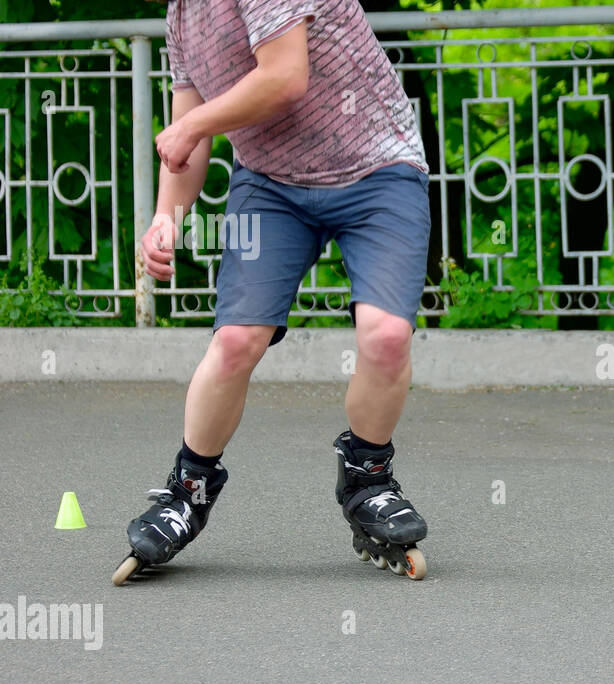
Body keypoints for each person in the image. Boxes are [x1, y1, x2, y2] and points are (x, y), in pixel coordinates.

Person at [114, 0, 432, 585]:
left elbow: (284, 78)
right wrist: (166, 216)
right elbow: (189, 128)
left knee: (386, 336)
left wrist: (193, 123)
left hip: (378, 172)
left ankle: (368, 477)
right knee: (235, 340)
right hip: (272, 187)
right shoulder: (182, 14)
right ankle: (187, 490)